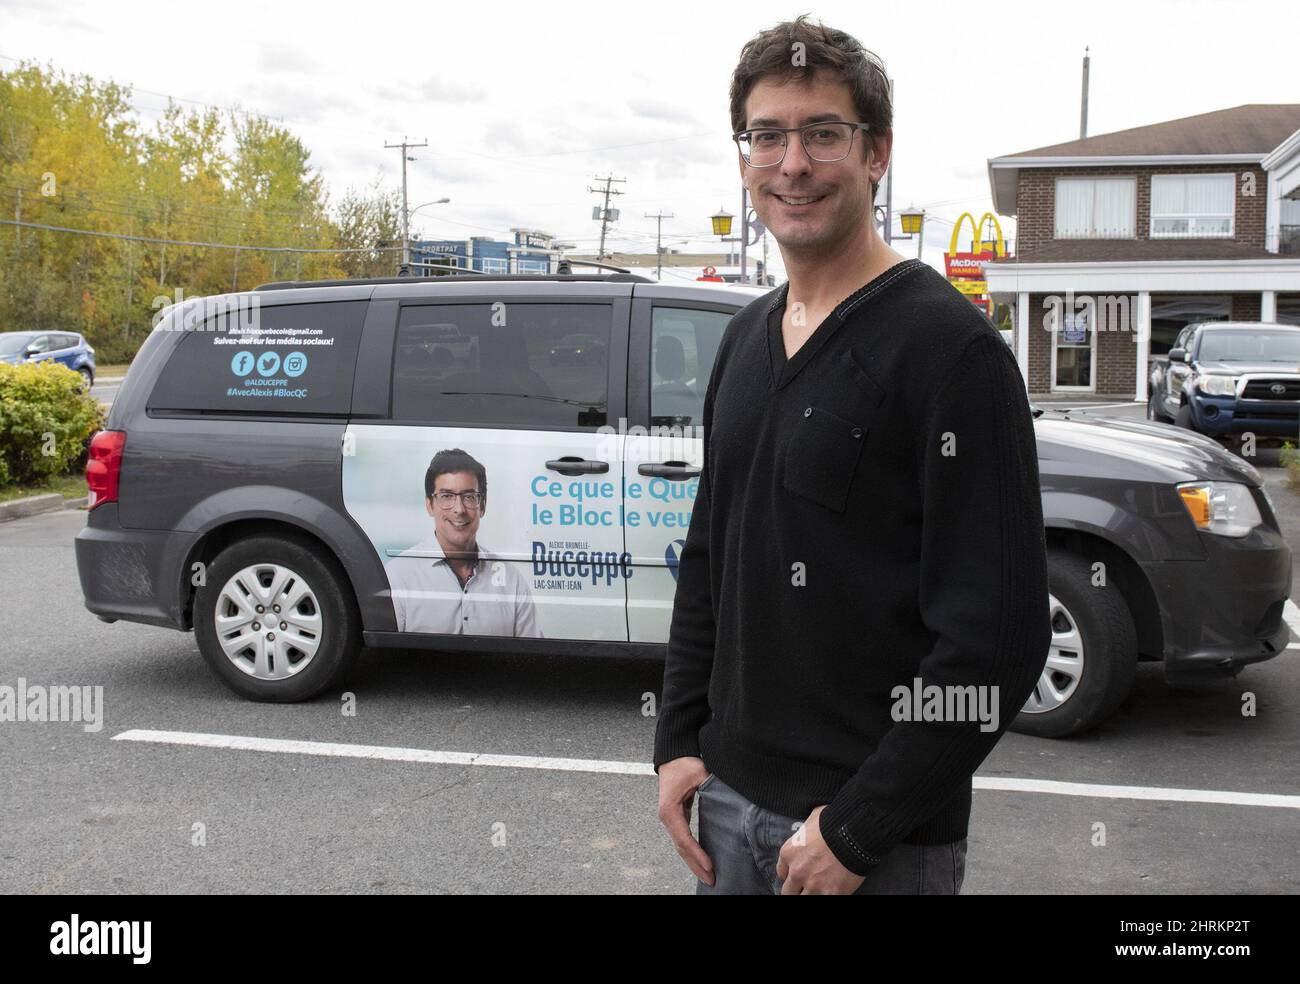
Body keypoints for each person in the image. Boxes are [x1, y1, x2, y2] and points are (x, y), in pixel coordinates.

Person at [652, 15, 1050, 895]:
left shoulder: (953, 353)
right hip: (726, 812)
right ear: (745, 155)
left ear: (878, 155)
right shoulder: (744, 338)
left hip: (877, 849)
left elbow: (999, 639)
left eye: (824, 134)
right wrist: (678, 742)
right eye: (768, 136)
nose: (792, 163)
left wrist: (862, 827)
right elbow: (711, 560)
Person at [386, 448, 542, 637]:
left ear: (482, 506)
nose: (459, 509)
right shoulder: (398, 576)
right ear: (430, 505)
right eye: (447, 496)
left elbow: (530, 658)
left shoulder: (511, 581)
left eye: (469, 497)